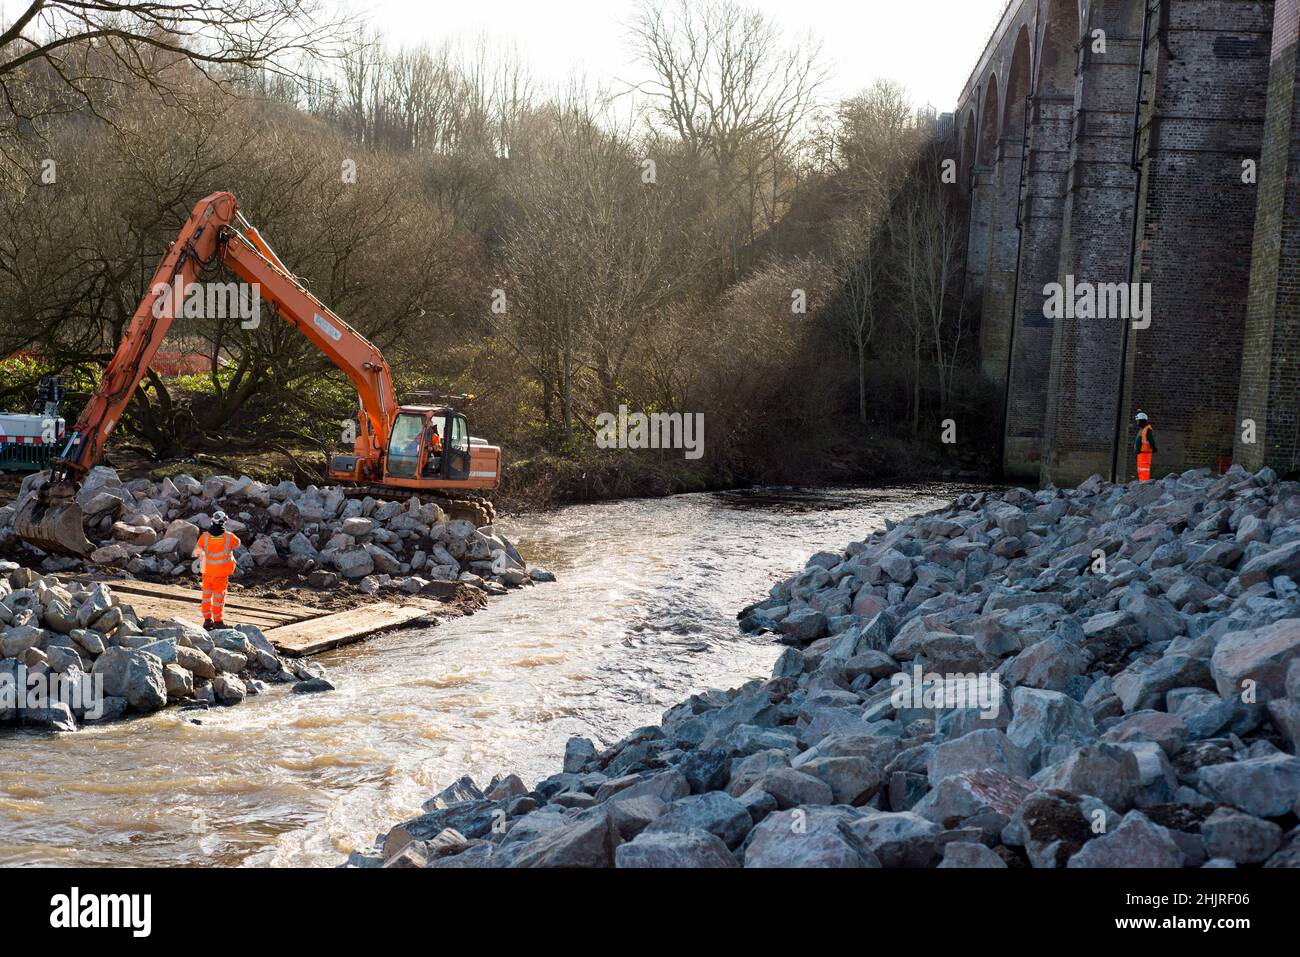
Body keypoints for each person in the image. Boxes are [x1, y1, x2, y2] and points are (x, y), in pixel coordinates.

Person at [193, 510, 241, 630]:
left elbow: (197, 552)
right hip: (221, 573)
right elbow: (238, 544)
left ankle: (207, 620)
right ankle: (218, 621)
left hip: (207, 573)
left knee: (206, 596)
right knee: (219, 597)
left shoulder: (204, 537)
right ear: (224, 521)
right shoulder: (229, 537)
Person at [1134, 411, 1157, 482]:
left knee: (1144, 470)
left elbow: (1150, 439)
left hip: (1145, 453)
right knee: (1140, 469)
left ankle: (1144, 483)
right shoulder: (1143, 429)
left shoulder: (1147, 429)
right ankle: (1141, 482)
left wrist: (1153, 447)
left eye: (1138, 421)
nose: (1137, 423)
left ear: (1142, 421)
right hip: (1141, 453)